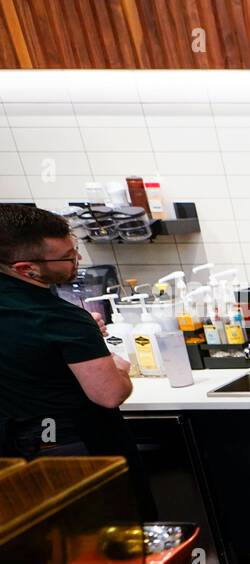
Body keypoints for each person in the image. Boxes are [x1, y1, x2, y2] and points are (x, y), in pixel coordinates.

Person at [0, 204, 152, 509]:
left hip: (14, 453)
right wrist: (119, 368)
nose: (77, 259)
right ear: (25, 268)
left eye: (75, 249)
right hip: (75, 449)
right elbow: (109, 395)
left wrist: (80, 341)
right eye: (68, 257)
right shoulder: (61, 318)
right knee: (115, 534)